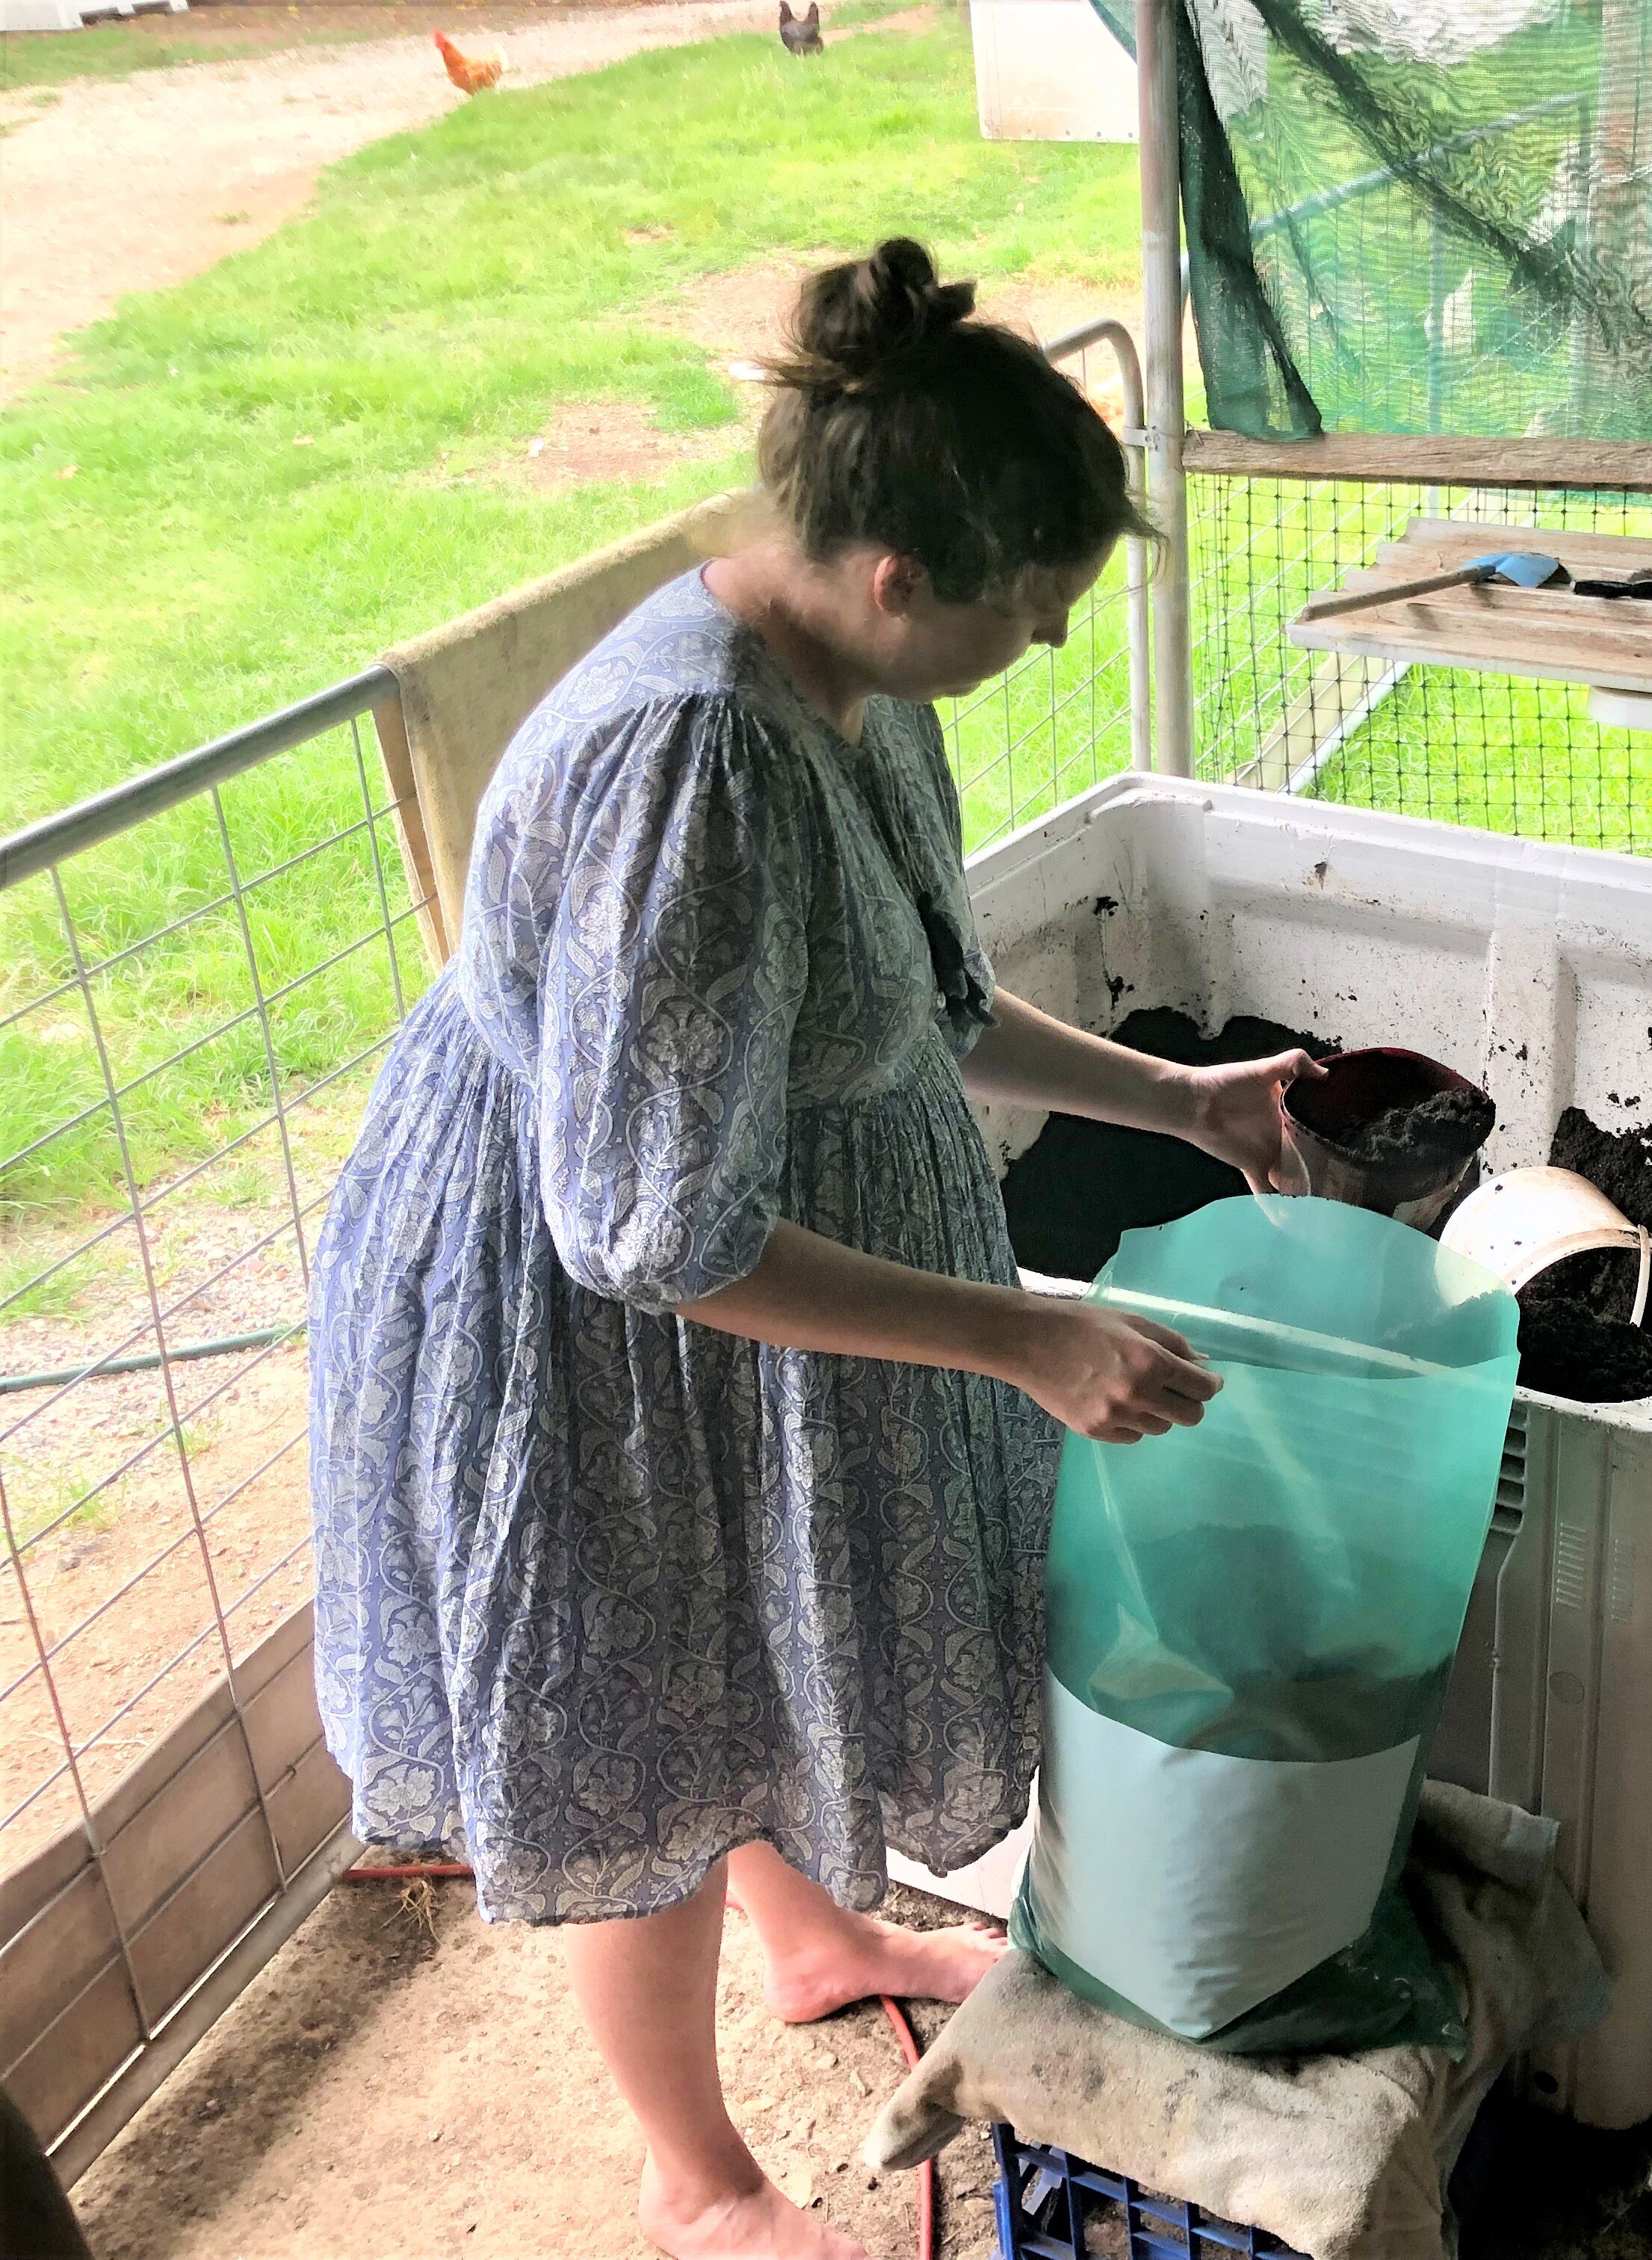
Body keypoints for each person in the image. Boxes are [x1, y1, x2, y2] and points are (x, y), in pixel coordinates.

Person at [308, 239, 1317, 2260]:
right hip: (589, 1287)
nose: (1040, 648)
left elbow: (915, 999)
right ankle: (700, 2186)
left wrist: (1180, 1101)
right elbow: (654, 1234)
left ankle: (814, 1934)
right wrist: (1022, 1337)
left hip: (732, 1242)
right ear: (892, 577)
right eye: (1029, 617)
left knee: (745, 1623)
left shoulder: (851, 687)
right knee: (646, 1711)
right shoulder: (689, 767)